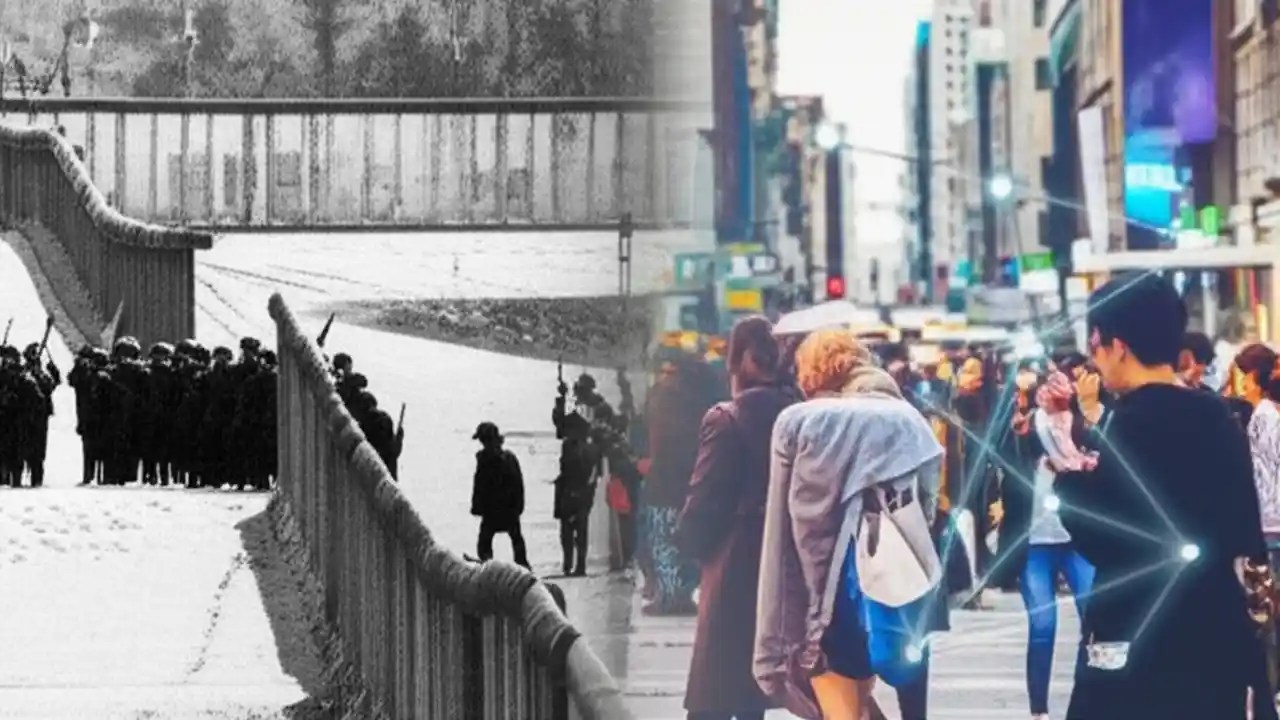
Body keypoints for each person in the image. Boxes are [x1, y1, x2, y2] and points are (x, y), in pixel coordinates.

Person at [1054, 272, 1266, 719]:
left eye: (1095, 345)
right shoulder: (1218, 416)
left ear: (1117, 345)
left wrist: (1068, 484)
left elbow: (1106, 536)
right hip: (1215, 630)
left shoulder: (1130, 423)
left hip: (1138, 632)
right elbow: (1244, 528)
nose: (1095, 360)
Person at [755, 330, 944, 720]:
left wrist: (770, 645)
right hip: (893, 585)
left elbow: (779, 533)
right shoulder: (907, 419)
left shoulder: (800, 423)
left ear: (811, 374)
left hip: (827, 595)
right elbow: (927, 510)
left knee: (843, 707)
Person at [675, 317, 798, 720]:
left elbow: (705, 499)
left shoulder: (726, 418)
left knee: (710, 694)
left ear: (741, 362)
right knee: (750, 695)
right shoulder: (797, 414)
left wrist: (687, 542)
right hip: (779, 562)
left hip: (732, 563)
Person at [469, 422, 529, 570]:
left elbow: (479, 486)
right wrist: (519, 507)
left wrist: (477, 507)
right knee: (514, 538)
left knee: (486, 540)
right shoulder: (508, 458)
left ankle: (488, 567)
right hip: (506, 511)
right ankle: (522, 567)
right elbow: (519, 485)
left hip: (495, 511)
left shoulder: (487, 461)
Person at [554, 412, 597, 576]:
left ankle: (569, 565)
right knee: (580, 532)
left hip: (570, 493)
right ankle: (579, 565)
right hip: (582, 494)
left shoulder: (569, 447)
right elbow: (593, 476)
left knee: (568, 532)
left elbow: (566, 471)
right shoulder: (591, 449)